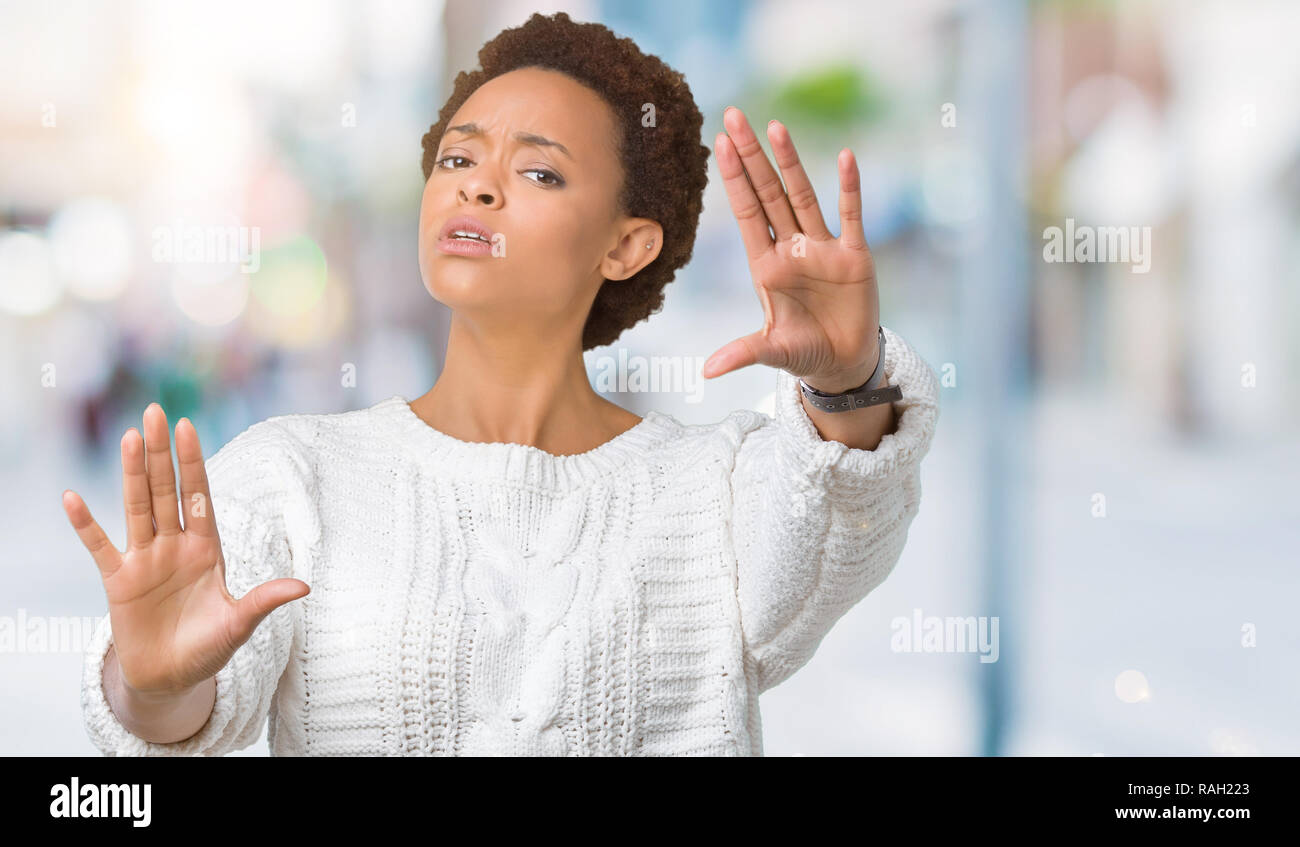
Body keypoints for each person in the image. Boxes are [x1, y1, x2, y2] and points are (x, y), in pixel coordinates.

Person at [64, 11, 939, 756]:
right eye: (456, 160)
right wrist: (151, 685)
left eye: (538, 171)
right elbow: (185, 716)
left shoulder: (715, 491)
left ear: (625, 245)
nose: (477, 187)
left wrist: (845, 381)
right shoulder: (294, 475)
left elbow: (834, 520)